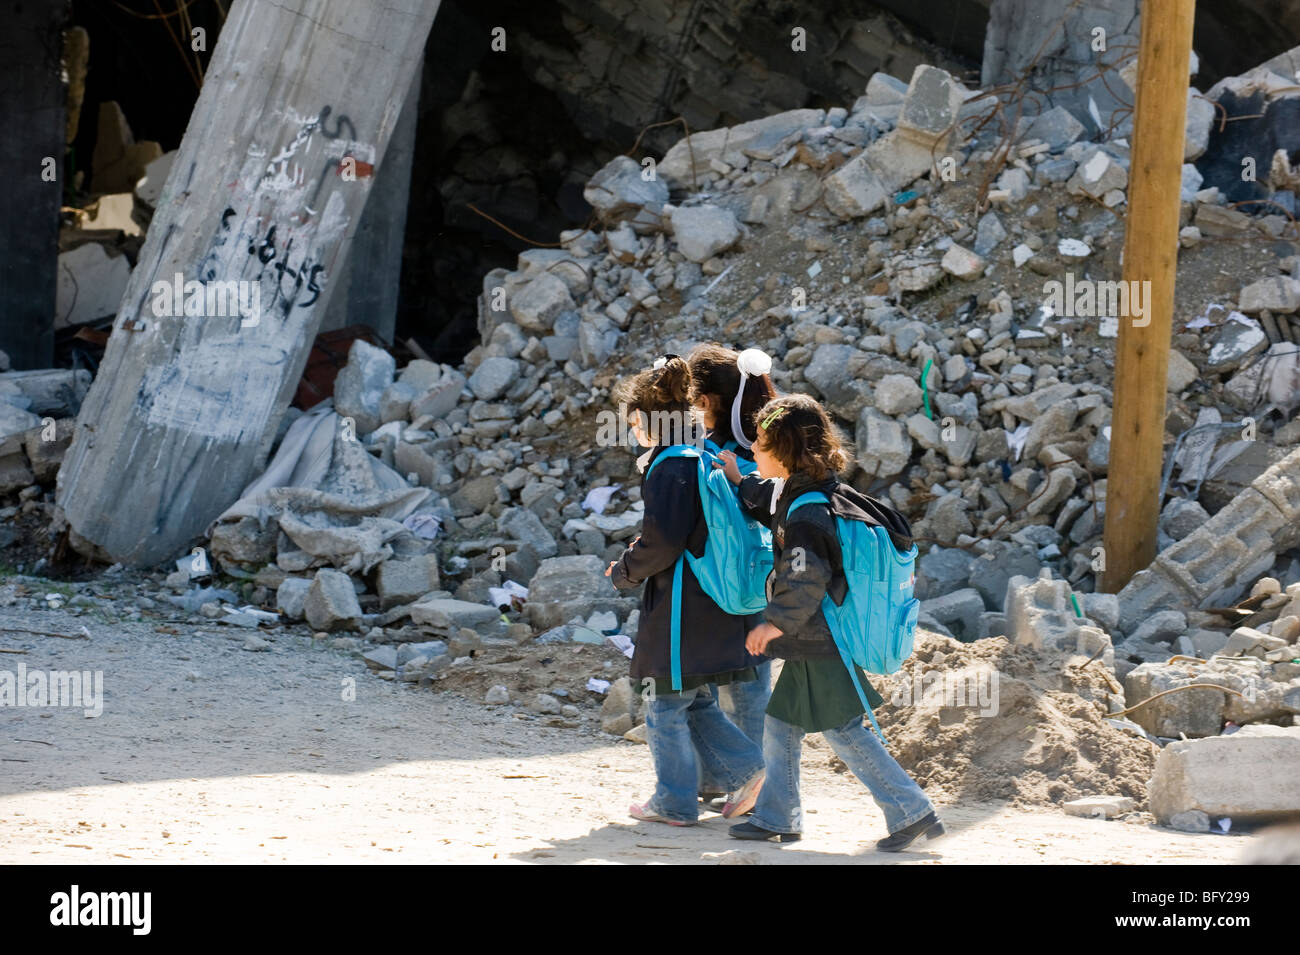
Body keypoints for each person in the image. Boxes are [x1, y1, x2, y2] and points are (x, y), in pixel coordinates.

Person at [716, 393, 944, 850]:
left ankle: (911, 811)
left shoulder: (808, 513)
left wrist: (771, 623)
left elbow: (805, 578)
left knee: (844, 732)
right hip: (813, 640)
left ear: (785, 450)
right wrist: (740, 480)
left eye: (761, 443)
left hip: (822, 641)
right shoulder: (807, 492)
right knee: (780, 724)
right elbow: (769, 502)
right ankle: (778, 816)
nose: (753, 450)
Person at [604, 355, 766, 826]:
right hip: (707, 601)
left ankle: (675, 801)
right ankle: (749, 770)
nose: (633, 433)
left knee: (663, 701)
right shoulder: (701, 456)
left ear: (652, 423)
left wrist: (624, 572)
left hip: (679, 603)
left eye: (635, 424)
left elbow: (666, 541)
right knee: (689, 697)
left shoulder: (671, 466)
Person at [685, 343, 777, 803]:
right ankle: (741, 780)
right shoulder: (767, 446)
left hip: (716, 583)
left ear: (705, 401)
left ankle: (735, 777)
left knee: (702, 685)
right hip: (764, 582)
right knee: (753, 687)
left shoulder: (708, 452)